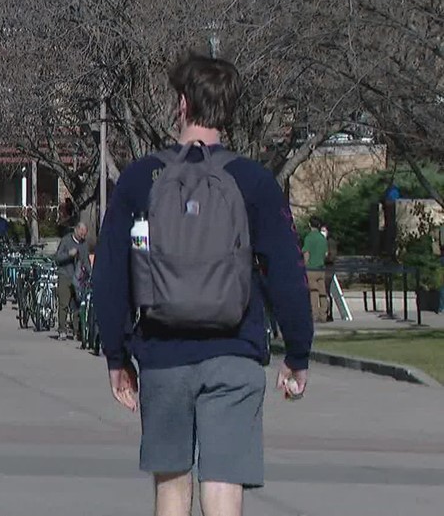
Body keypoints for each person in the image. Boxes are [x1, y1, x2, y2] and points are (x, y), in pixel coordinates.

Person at [92, 54, 312, 516]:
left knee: (171, 486)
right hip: (234, 353)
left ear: (182, 104)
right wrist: (297, 353)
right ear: (228, 110)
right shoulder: (253, 181)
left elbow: (111, 272)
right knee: (223, 486)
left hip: (163, 354)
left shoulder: (140, 178)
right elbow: (285, 271)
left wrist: (116, 355)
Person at [54, 223, 90, 339]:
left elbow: (86, 261)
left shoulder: (84, 244)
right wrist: (69, 254)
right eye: (81, 232)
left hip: (78, 278)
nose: (83, 235)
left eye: (84, 234)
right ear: (76, 230)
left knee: (78, 305)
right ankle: (62, 330)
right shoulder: (66, 240)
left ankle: (77, 331)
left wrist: (90, 274)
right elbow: (58, 258)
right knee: (63, 303)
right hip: (65, 275)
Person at [302, 217, 330, 324]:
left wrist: (305, 265)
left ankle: (315, 314)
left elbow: (306, 253)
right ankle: (324, 314)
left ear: (310, 225)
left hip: (311, 268)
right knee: (322, 292)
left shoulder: (309, 238)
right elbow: (326, 254)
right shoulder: (322, 238)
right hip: (321, 268)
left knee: (313, 292)